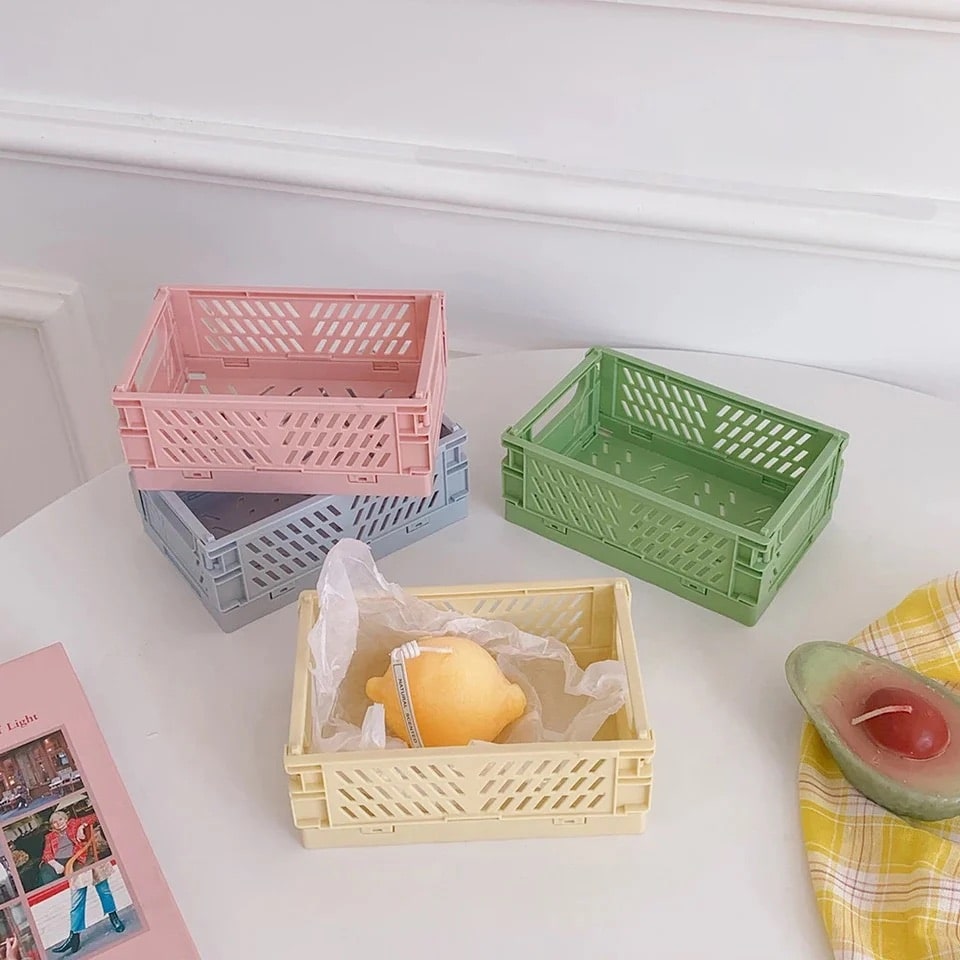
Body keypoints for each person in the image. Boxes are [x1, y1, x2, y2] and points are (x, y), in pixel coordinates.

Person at [40, 809, 125, 955]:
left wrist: (82, 826)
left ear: (66, 819)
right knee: (76, 901)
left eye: (60, 820)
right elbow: (46, 854)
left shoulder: (74, 823)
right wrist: (54, 863)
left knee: (104, 890)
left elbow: (95, 815)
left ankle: (113, 916)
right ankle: (75, 935)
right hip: (69, 866)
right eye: (54, 822)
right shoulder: (50, 837)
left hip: (85, 859)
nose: (58, 824)